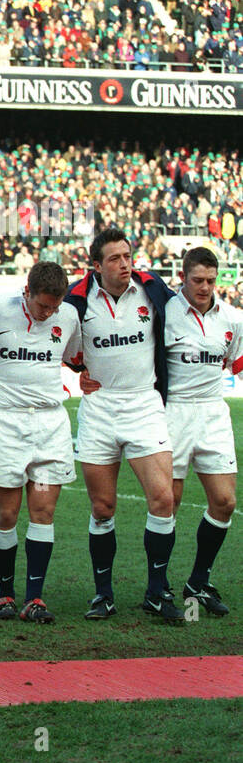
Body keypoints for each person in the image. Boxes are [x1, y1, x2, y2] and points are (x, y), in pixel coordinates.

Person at [64, 227, 181, 622]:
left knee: (163, 500)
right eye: (114, 259)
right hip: (99, 408)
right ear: (96, 266)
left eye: (127, 256)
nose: (124, 264)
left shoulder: (151, 289)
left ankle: (156, 590)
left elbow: (182, 317)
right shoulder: (77, 300)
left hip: (144, 404)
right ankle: (103, 594)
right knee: (102, 507)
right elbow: (57, 342)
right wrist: (77, 370)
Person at [0, 261, 81, 624]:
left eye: (54, 307)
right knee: (6, 513)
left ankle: (35, 598)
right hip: (7, 424)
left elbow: (77, 357)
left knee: (43, 512)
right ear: (27, 292)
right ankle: (5, 594)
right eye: (42, 306)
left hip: (50, 427)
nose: (48, 313)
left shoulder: (68, 316)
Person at [162, 246, 243, 616]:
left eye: (211, 280)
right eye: (198, 280)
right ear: (183, 277)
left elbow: (233, 362)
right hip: (173, 412)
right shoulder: (164, 313)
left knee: (225, 502)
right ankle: (157, 585)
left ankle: (198, 582)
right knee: (169, 502)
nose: (205, 287)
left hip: (213, 413)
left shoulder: (232, 318)